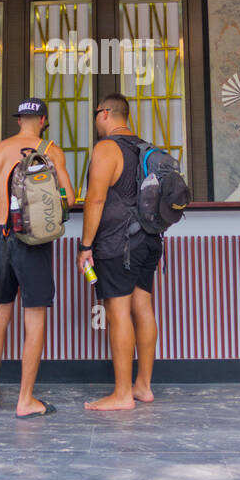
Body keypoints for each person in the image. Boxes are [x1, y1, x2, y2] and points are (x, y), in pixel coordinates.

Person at [0, 98, 75, 418]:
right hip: (33, 240)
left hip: (2, 235)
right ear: (42, 120)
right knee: (35, 317)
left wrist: (4, 209)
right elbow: (69, 199)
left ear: (19, 121)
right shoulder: (51, 150)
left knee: (1, 314)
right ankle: (26, 399)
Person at [77, 93, 163, 411]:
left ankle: (122, 394)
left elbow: (95, 199)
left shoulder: (106, 149)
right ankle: (143, 386)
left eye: (96, 114)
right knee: (143, 307)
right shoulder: (146, 149)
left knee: (118, 312)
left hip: (118, 244)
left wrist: (86, 246)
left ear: (105, 114)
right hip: (150, 240)